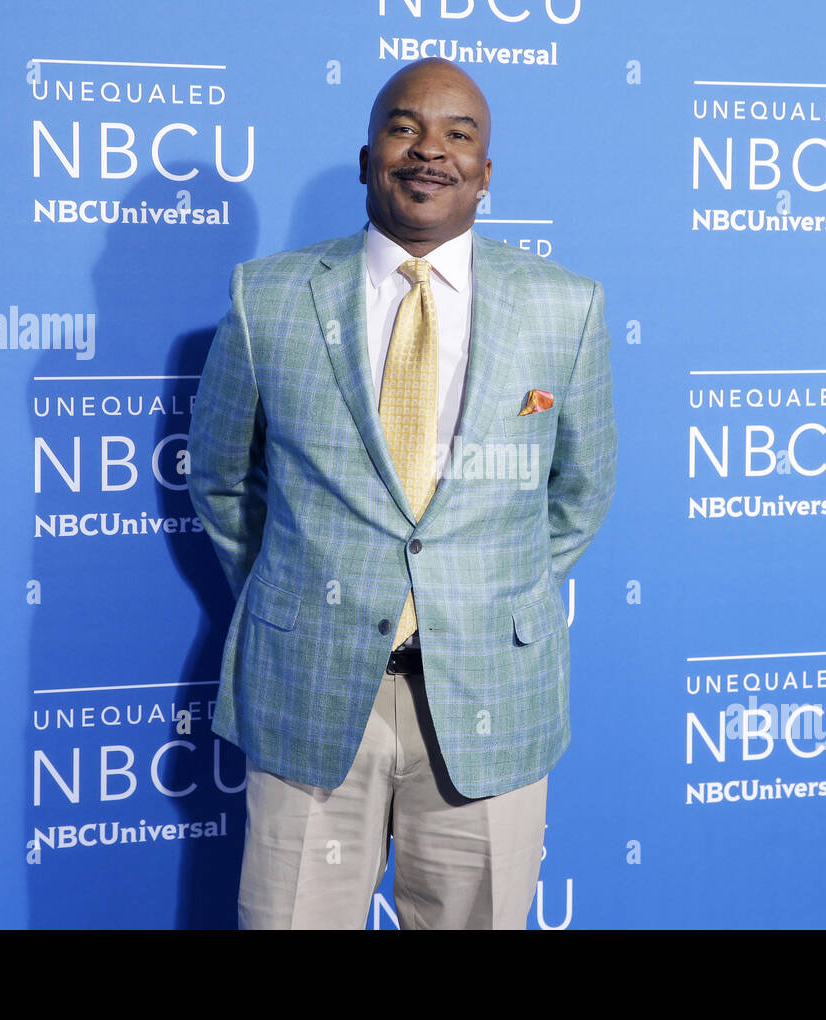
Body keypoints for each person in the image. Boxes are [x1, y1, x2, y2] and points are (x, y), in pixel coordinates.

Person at [188, 57, 615, 930]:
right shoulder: (267, 297)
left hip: (489, 695)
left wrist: (484, 595)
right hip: (309, 688)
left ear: (486, 174)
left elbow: (582, 489)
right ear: (366, 155)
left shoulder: (563, 307)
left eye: (460, 135)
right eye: (405, 126)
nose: (431, 151)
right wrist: (300, 591)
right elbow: (222, 479)